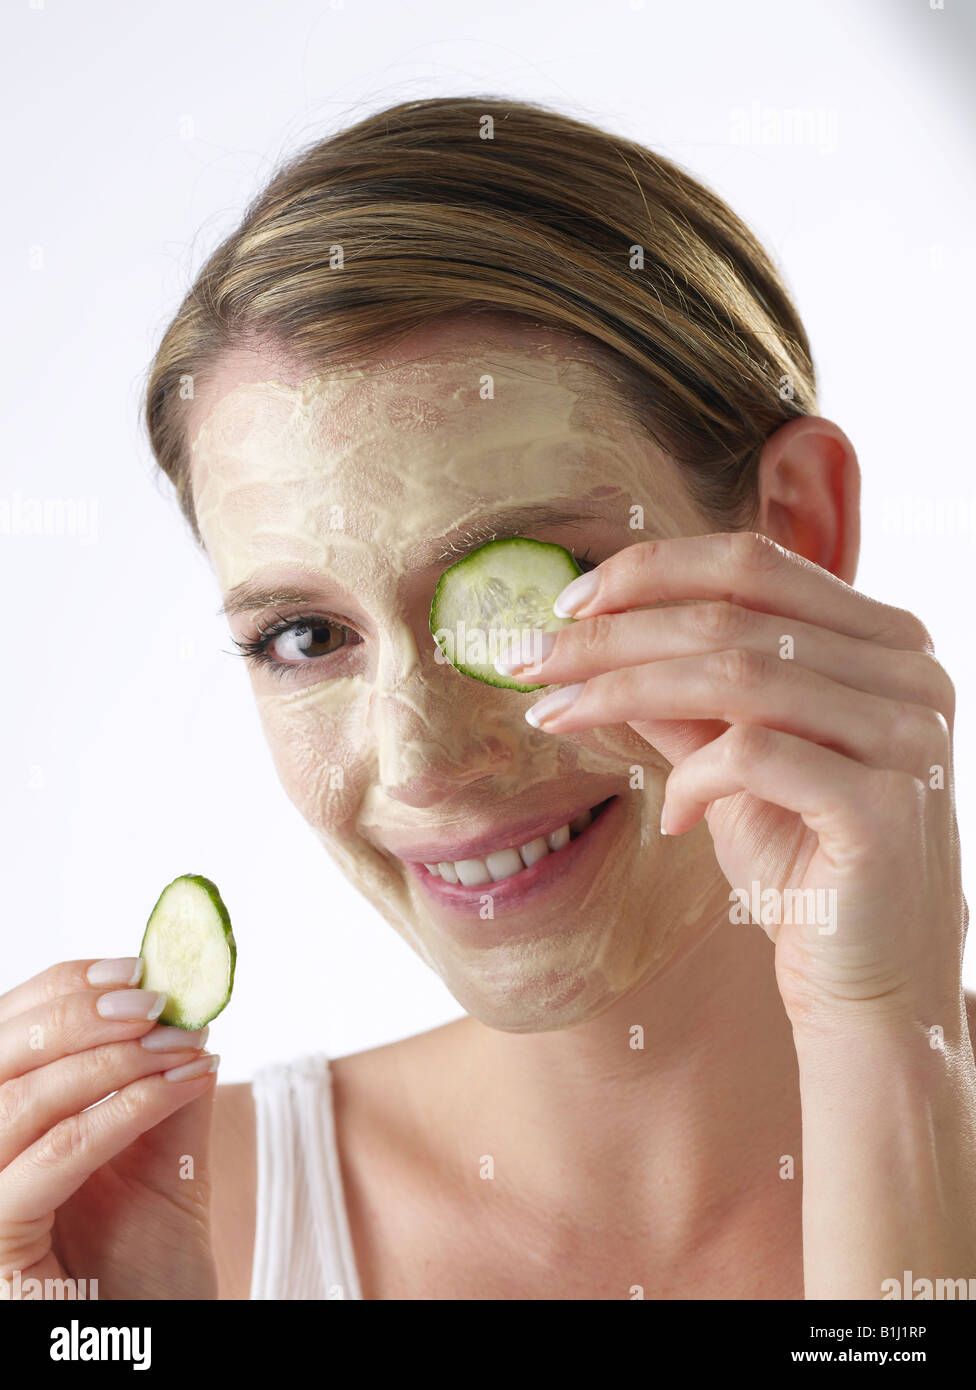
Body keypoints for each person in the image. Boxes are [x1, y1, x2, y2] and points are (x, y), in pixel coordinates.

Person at [2, 96, 973, 1302]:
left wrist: (884, 1045)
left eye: (519, 590)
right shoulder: (132, 1236)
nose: (417, 764)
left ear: (795, 529)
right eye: (303, 635)